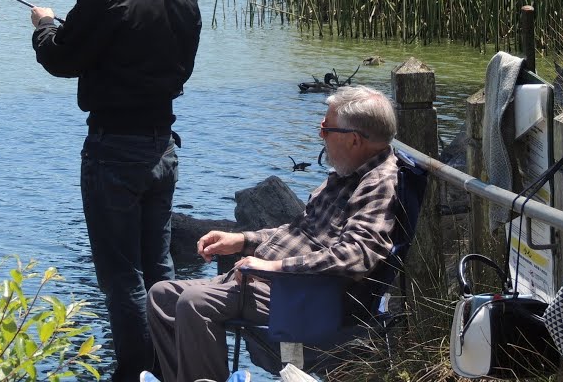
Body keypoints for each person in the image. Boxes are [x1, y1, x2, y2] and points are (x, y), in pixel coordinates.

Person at [30, 0, 202, 382]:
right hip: (163, 148)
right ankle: (168, 370)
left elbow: (62, 59)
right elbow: (182, 66)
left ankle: (131, 374)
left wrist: (43, 26)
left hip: (113, 151)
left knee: (120, 277)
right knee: (159, 269)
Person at [145, 85, 400, 382]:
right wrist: (243, 241)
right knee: (161, 295)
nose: (321, 135)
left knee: (195, 303)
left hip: (305, 293)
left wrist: (272, 267)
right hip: (275, 281)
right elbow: (298, 231)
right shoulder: (347, 174)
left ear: (354, 140)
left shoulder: (378, 183)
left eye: (326, 128)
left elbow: (356, 256)